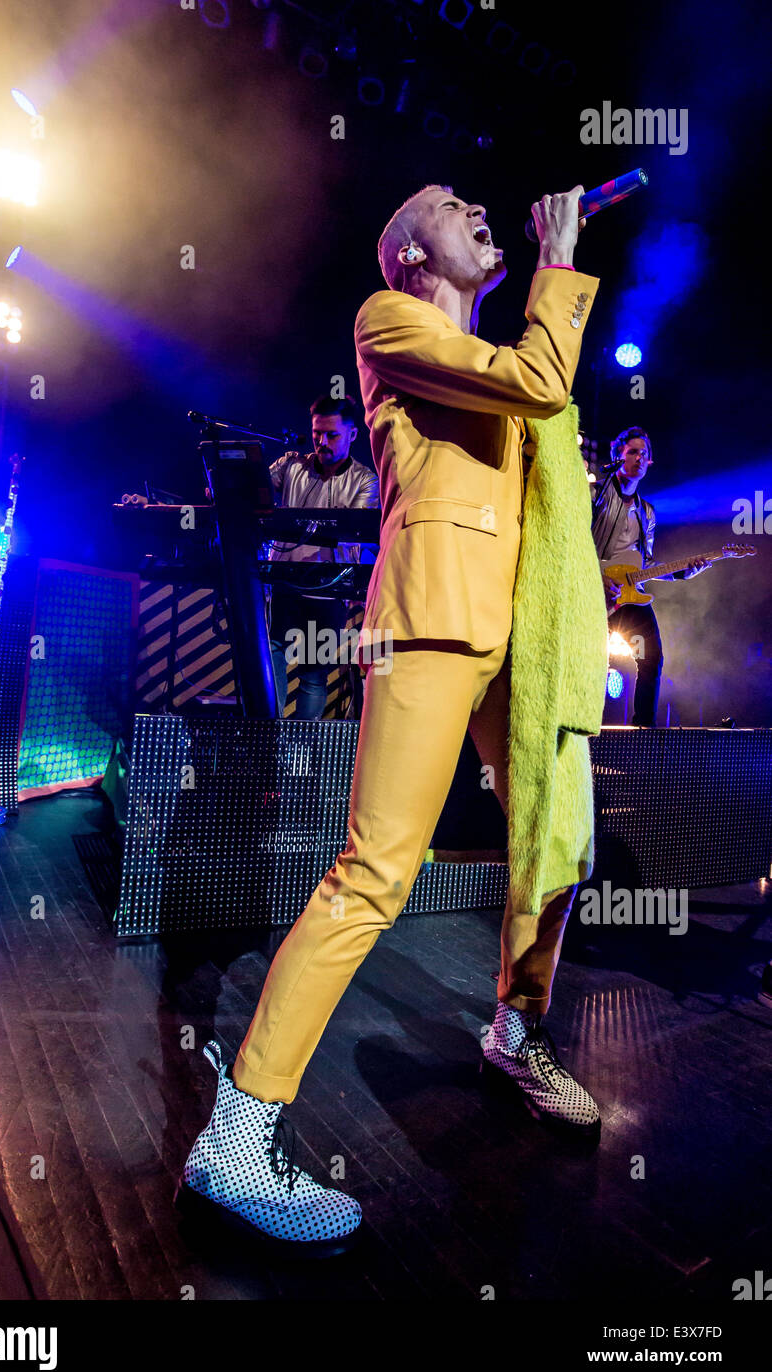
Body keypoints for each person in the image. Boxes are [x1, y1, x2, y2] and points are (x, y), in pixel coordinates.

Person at [177, 181, 607, 1255]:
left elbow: (530, 416)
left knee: (556, 846)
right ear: (411, 256)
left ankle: (515, 1033)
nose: (477, 211)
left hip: (520, 636)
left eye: (477, 204)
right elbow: (539, 379)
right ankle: (238, 1130)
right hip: (426, 628)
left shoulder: (480, 361)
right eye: (452, 206)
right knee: (372, 873)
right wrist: (557, 260)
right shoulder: (390, 321)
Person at [267, 395, 379, 718]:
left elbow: (350, 528)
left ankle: (301, 759)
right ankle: (271, 743)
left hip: (330, 589)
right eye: (317, 434)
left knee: (314, 676)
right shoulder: (290, 465)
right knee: (272, 652)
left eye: (331, 435)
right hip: (285, 581)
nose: (321, 442)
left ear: (353, 435)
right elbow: (255, 490)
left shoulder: (366, 481)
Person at [592, 426, 710, 726]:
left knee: (652, 658)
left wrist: (682, 573)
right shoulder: (595, 496)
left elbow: (645, 563)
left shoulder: (648, 512)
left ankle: (642, 728)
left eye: (644, 454)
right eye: (632, 451)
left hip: (630, 596)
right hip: (592, 591)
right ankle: (582, 726)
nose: (639, 458)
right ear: (617, 456)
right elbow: (574, 543)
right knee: (590, 663)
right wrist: (596, 577)